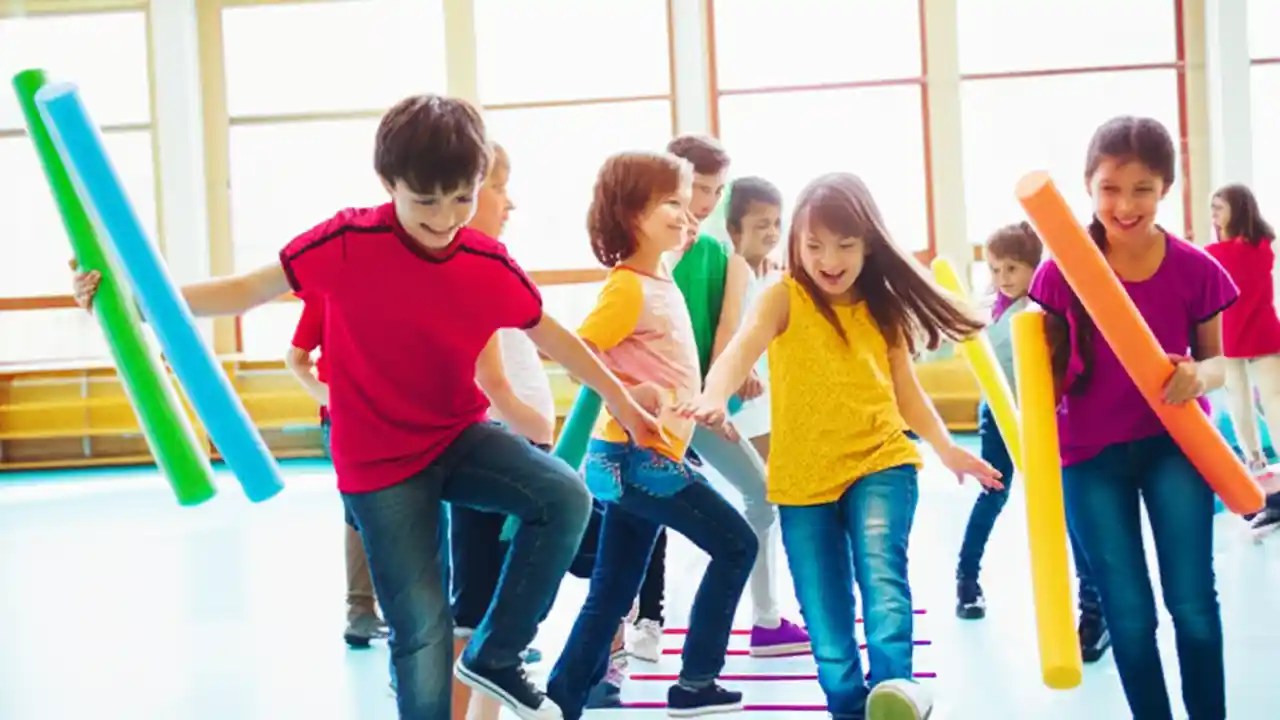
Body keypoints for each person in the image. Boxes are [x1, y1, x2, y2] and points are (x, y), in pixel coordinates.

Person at [72, 94, 664, 720]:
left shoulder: (485, 261)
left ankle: (495, 656)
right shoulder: (347, 241)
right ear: (388, 185)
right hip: (378, 463)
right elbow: (245, 289)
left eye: (461, 198)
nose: (443, 219)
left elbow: (557, 339)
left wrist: (622, 401)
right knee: (421, 628)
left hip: (455, 436)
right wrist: (128, 299)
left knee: (564, 495)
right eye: (425, 201)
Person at [680, 172, 1001, 720]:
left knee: (881, 574)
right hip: (804, 477)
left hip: (880, 459)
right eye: (814, 245)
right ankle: (851, 709)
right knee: (827, 624)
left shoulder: (883, 303)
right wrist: (713, 395)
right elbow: (739, 349)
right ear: (796, 243)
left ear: (868, 243)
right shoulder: (783, 296)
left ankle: (895, 692)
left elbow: (906, 392)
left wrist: (947, 449)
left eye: (845, 245)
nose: (829, 259)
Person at [1031, 116, 1235, 720]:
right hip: (1089, 458)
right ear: (1088, 190)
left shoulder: (1196, 269)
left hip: (1176, 446)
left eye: (1142, 188)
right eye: (1110, 188)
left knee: (1193, 602)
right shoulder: (1060, 272)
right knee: (1127, 614)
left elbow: (1220, 361)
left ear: (1166, 188)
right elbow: (1040, 370)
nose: (1125, 205)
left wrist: (1199, 375)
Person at [545, 151, 757, 720]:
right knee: (738, 545)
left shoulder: (659, 276)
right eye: (673, 204)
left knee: (614, 590)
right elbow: (578, 353)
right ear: (632, 213)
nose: (688, 216)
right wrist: (627, 392)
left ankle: (565, 696)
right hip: (641, 460)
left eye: (691, 206)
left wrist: (704, 409)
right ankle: (695, 684)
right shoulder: (627, 288)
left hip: (649, 455)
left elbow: (671, 362)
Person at [629, 135, 809, 665]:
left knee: (759, 494)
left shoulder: (719, 254)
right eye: (697, 189)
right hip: (648, 408)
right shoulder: (646, 249)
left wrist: (722, 388)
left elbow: (730, 325)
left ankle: (766, 619)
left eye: (714, 190)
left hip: (699, 403)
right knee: (640, 514)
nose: (705, 202)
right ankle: (640, 623)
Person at [287, 294, 387, 648]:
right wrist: (334, 400)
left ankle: (370, 612)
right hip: (351, 422)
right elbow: (296, 359)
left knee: (369, 512)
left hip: (393, 419)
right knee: (364, 512)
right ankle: (363, 611)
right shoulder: (328, 289)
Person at [1207, 183, 1280, 532]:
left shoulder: (1219, 253)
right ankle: (1255, 462)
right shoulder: (1263, 246)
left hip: (1237, 334)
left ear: (1238, 209)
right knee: (1264, 400)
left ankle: (1255, 462)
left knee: (1252, 400)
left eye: (1219, 208)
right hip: (1256, 331)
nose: (1215, 216)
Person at [723, 176, 785, 460]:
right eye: (762, 225)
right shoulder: (738, 268)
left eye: (776, 223)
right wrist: (742, 370)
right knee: (768, 481)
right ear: (734, 231)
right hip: (746, 394)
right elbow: (729, 324)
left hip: (772, 391)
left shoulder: (774, 275)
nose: (772, 232)